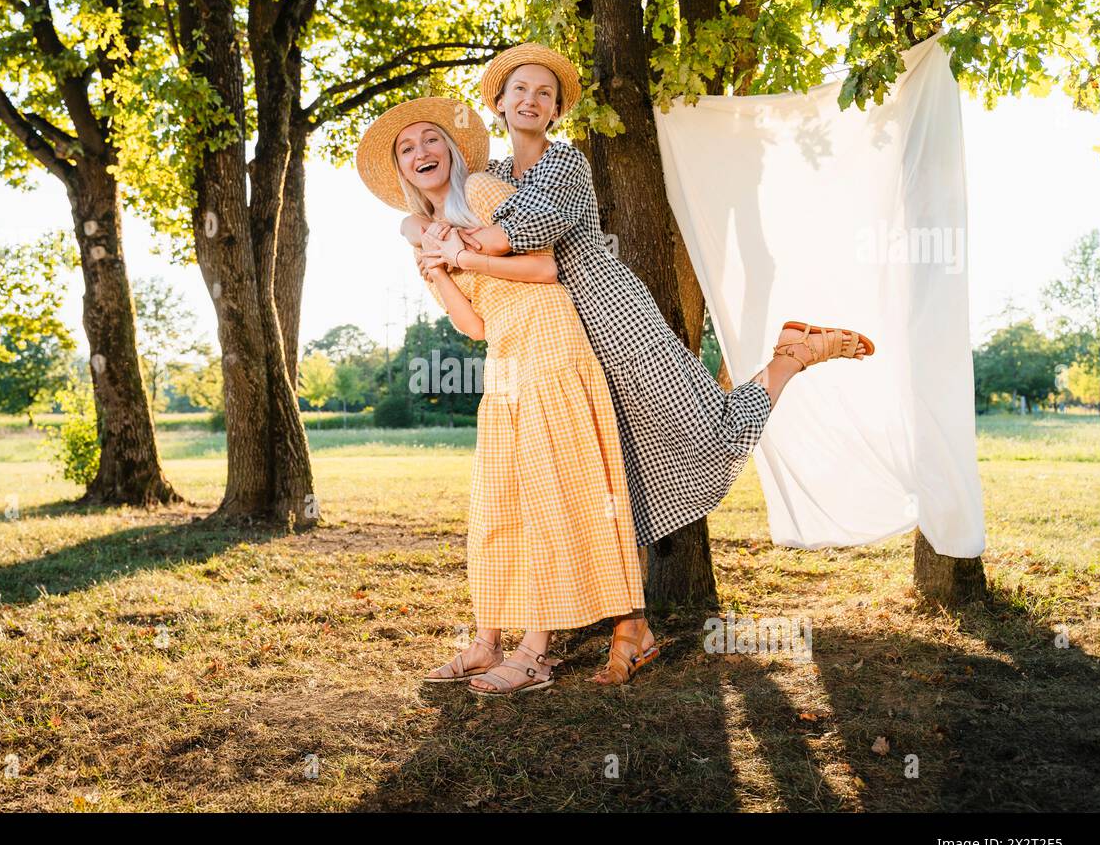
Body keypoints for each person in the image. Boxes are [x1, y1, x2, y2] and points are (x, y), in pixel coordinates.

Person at [438, 43, 875, 668]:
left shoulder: (566, 164)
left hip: (616, 321)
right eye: (519, 90)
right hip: (558, 349)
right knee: (619, 477)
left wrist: (461, 249)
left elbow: (524, 236)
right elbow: (474, 246)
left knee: (702, 429)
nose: (531, 100)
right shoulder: (490, 183)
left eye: (544, 93)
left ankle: (791, 358)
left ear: (557, 112)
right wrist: (446, 242)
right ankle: (632, 629)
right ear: (498, 104)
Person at [355, 96, 660, 692]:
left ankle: (535, 653)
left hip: (548, 339)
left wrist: (461, 252)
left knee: (547, 497)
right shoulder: (424, 232)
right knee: (498, 504)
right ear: (401, 169)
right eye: (407, 147)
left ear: (451, 150)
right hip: (505, 359)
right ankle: (487, 642)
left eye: (430, 139)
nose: (422, 151)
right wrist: (438, 268)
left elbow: (546, 269)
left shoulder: (490, 195)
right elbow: (473, 325)